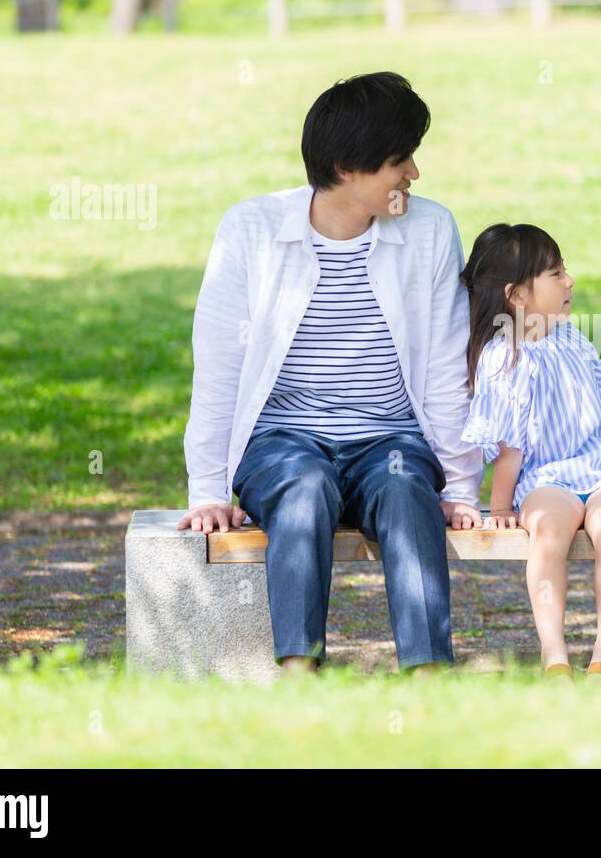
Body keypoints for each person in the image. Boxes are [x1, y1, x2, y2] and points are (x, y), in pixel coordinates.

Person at [178, 72, 484, 676]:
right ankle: (299, 671)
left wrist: (459, 486)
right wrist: (208, 489)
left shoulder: (429, 230)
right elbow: (218, 366)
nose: (413, 174)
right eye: (399, 160)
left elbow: (448, 366)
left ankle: (428, 674)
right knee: (305, 488)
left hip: (391, 440)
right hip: (283, 442)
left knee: (403, 491)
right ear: (347, 166)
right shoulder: (252, 230)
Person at [459, 223, 601, 680]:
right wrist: (500, 505)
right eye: (555, 273)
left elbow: (598, 418)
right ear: (517, 294)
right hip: (547, 477)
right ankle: (555, 657)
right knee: (547, 532)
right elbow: (510, 449)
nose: (569, 282)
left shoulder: (573, 338)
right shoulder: (501, 358)